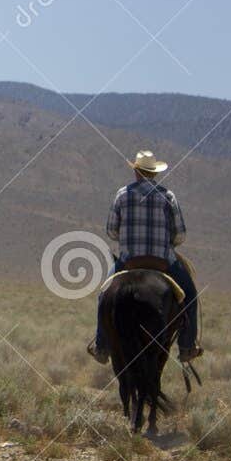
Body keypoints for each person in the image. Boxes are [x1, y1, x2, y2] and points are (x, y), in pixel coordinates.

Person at [88, 150, 201, 364]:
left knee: (104, 295)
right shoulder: (168, 196)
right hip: (164, 262)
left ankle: (102, 347)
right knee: (191, 296)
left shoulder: (122, 194)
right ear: (154, 173)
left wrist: (129, 236)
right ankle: (187, 347)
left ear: (136, 172)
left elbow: (111, 230)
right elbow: (180, 234)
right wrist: (165, 244)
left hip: (129, 261)